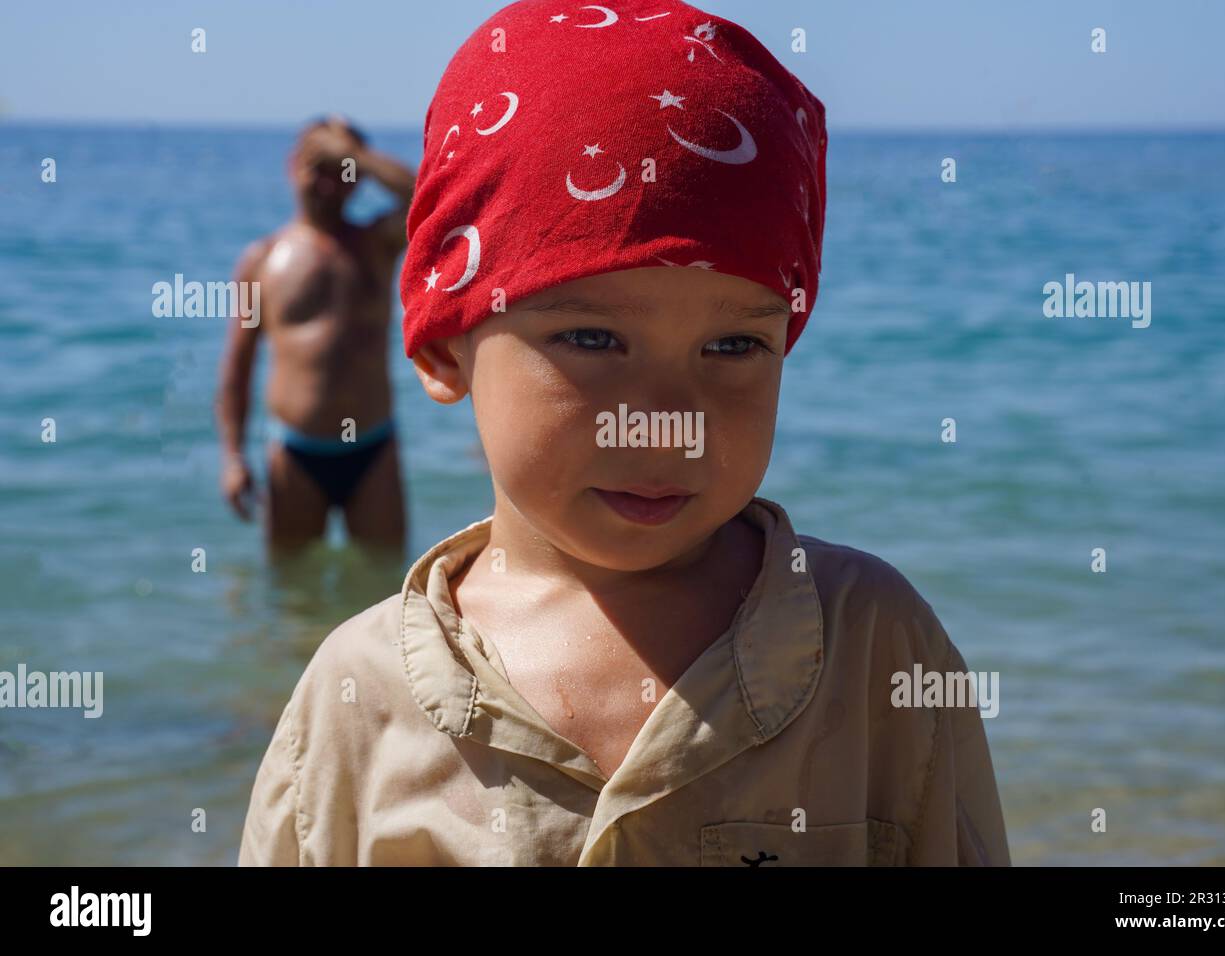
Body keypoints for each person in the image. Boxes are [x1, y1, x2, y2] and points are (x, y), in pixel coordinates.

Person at [239, 0, 1010, 866]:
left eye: (733, 344)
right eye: (593, 339)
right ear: (445, 348)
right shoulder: (357, 695)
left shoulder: (873, 645)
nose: (667, 421)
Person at [215, 115, 415, 555]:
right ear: (293, 167)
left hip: (374, 448)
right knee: (291, 591)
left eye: (342, 171)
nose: (330, 183)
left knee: (385, 584)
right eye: (318, 168)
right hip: (295, 452)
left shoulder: (376, 243)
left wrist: (354, 153)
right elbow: (238, 365)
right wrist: (233, 457)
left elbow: (427, 198)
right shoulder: (260, 262)